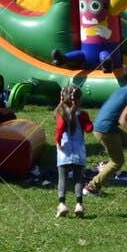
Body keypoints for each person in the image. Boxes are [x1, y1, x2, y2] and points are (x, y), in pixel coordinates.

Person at [85, 65, 127, 196]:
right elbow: (123, 120)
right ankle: (92, 187)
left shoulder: (122, 91)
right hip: (106, 130)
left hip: (103, 127)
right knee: (117, 161)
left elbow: (120, 117)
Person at [51, 87, 91, 218]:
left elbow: (60, 127)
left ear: (61, 98)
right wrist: (88, 121)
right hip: (79, 150)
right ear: (79, 99)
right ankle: (79, 204)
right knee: (78, 178)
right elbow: (89, 128)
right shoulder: (82, 114)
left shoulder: (60, 113)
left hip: (64, 149)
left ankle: (62, 204)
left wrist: (57, 141)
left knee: (62, 178)